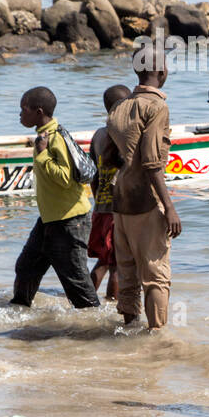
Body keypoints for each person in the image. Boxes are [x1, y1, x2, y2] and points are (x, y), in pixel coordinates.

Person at [107, 39, 182, 329]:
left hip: (121, 202)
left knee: (127, 274)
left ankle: (128, 330)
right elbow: (152, 162)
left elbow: (110, 157)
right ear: (161, 71)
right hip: (147, 202)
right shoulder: (157, 107)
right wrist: (170, 207)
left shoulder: (119, 106)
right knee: (155, 277)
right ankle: (156, 339)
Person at [10, 87, 100, 310]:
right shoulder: (44, 136)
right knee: (26, 268)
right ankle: (18, 314)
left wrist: (42, 155)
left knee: (77, 284)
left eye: (24, 109)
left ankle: (97, 325)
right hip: (50, 218)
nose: (20, 114)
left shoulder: (54, 138)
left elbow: (65, 179)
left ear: (38, 112)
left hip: (70, 220)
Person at [88, 84, 132, 300]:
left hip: (101, 208)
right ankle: (112, 307)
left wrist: (98, 201)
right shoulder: (124, 136)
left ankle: (86, 303)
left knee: (104, 262)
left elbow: (93, 175)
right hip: (118, 211)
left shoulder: (98, 135)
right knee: (117, 266)